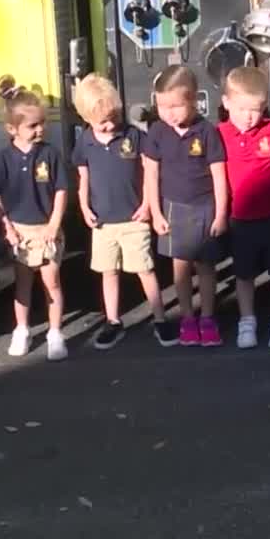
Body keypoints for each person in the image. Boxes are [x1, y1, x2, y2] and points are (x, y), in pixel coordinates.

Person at [71, 74, 171, 350]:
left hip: (134, 218)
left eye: (113, 116)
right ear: (86, 118)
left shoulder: (133, 136)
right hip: (103, 223)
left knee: (145, 270)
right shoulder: (84, 143)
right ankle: (113, 321)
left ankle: (160, 318)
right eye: (102, 121)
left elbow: (150, 172)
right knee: (108, 272)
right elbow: (83, 178)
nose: (110, 124)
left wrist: (148, 205)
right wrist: (83, 207)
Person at [143, 65, 229, 347]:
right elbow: (151, 175)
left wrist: (220, 214)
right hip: (172, 208)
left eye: (176, 106)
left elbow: (219, 174)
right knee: (180, 270)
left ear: (193, 100)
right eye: (162, 106)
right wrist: (155, 212)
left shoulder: (206, 131)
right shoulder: (157, 132)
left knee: (205, 267)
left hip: (205, 207)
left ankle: (207, 316)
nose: (169, 113)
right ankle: (187, 317)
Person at [0, 81, 70, 361]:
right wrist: (8, 229)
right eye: (32, 126)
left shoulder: (50, 154)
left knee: (52, 282)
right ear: (12, 129)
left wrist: (54, 224)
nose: (40, 130)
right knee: (22, 283)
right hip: (20, 232)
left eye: (42, 123)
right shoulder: (2, 160)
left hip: (47, 229)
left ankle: (55, 332)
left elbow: (61, 190)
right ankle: (22, 329)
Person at [218, 67, 270, 350]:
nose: (249, 116)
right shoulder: (220, 134)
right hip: (241, 220)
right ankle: (247, 320)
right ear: (226, 102)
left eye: (256, 109)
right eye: (241, 109)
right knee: (243, 274)